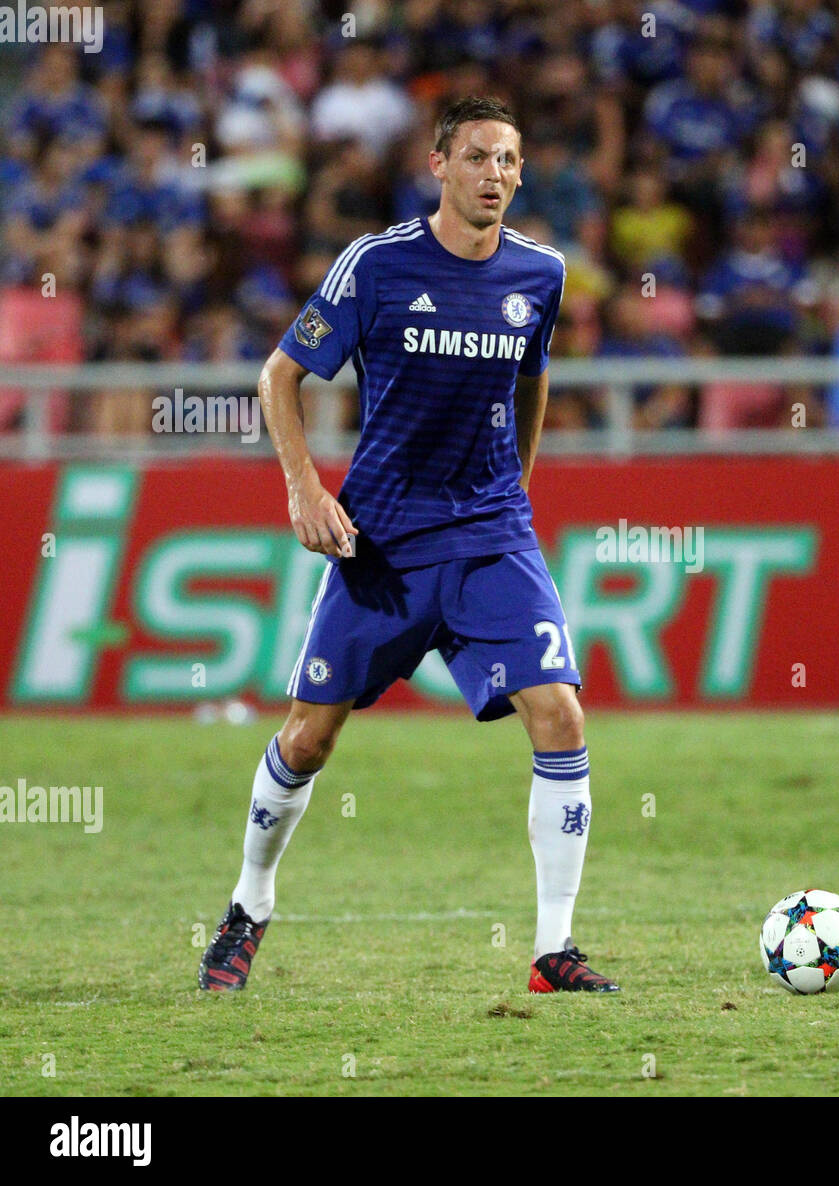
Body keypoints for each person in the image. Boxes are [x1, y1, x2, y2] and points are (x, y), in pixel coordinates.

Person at [198, 96, 618, 995]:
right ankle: (249, 905)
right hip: (380, 541)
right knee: (310, 740)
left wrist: (517, 486)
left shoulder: (542, 274)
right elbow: (281, 375)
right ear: (439, 165)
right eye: (477, 158)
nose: (496, 175)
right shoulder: (378, 265)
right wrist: (305, 488)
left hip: (491, 536)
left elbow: (533, 379)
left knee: (562, 715)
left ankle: (552, 951)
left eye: (509, 160)